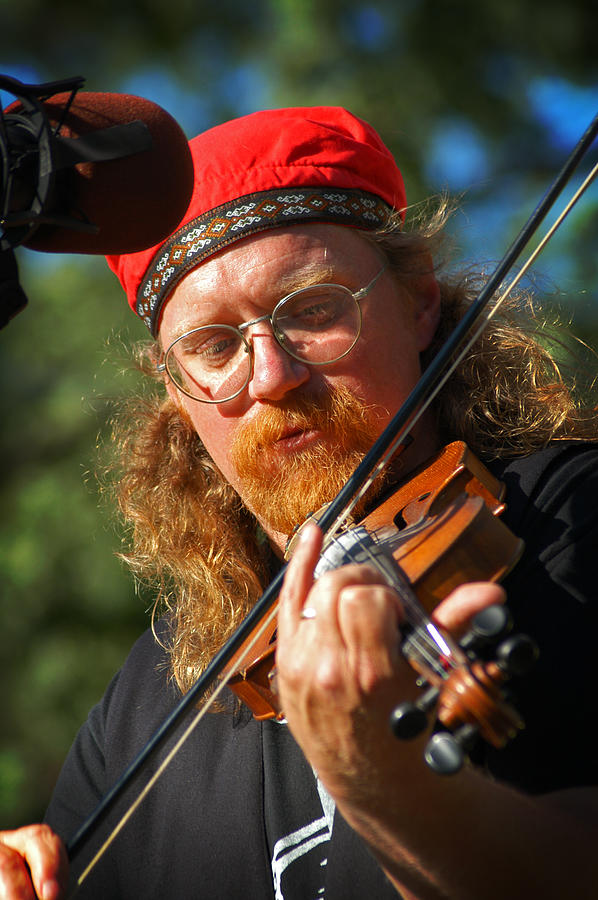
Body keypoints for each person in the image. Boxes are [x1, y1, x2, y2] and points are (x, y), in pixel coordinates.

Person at [1, 106, 597, 900]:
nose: (272, 374)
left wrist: (383, 781)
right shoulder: (151, 699)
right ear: (177, 394)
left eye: (314, 311)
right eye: (214, 347)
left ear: (419, 304)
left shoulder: (563, 518)